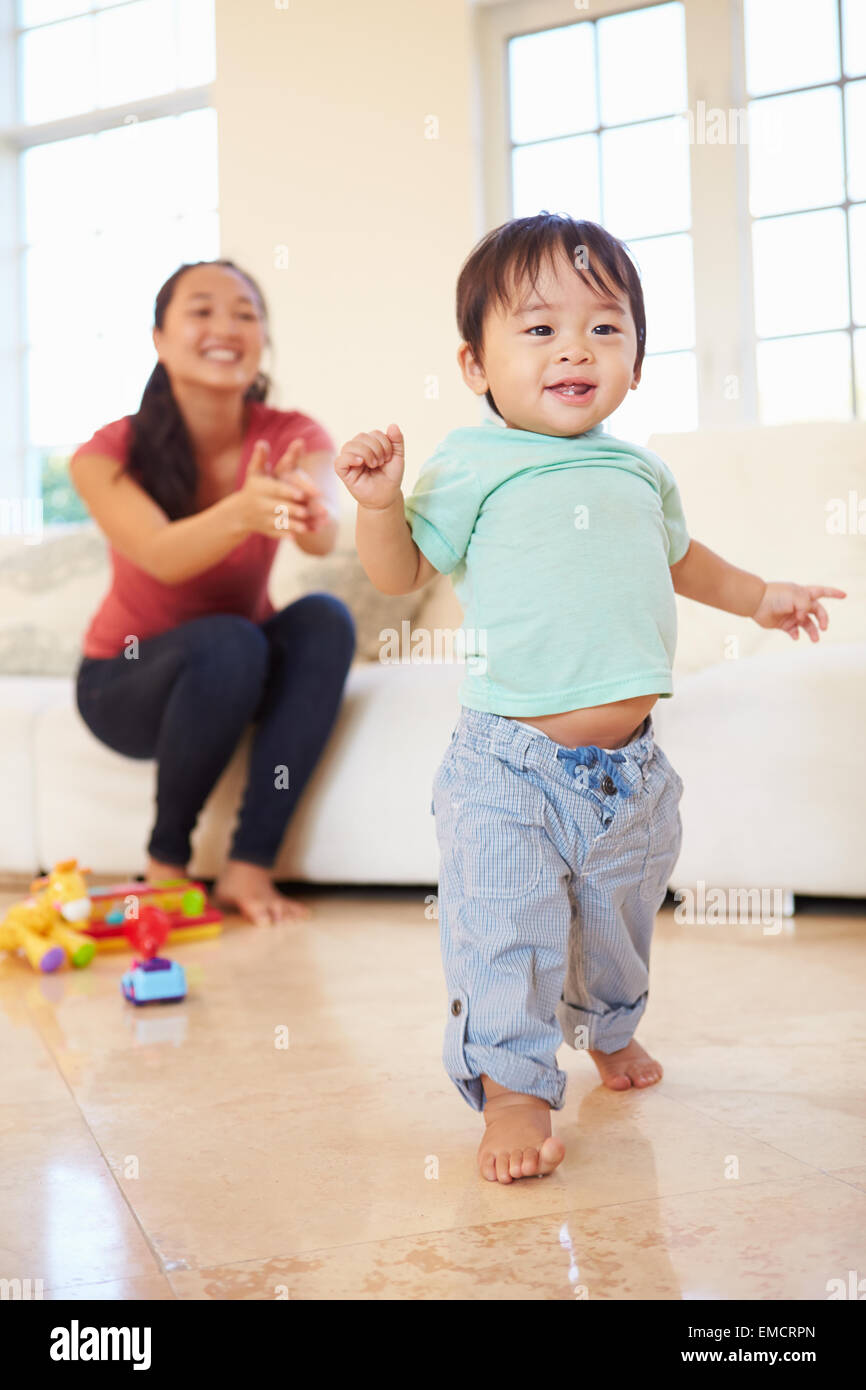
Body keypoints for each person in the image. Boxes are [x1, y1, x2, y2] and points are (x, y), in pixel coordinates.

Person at [334, 212, 846, 1183]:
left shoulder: (635, 469)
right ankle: (514, 1090)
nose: (574, 347)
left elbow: (684, 560)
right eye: (536, 329)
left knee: (614, 930)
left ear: (637, 362)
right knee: (505, 927)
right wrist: (376, 506)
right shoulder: (469, 465)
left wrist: (764, 597)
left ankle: (607, 1029)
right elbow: (399, 574)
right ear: (474, 363)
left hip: (631, 772)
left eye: (604, 328)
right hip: (504, 766)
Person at [70, 259, 355, 925]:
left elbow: (321, 536)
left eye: (246, 313)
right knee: (229, 640)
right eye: (201, 310)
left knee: (323, 619)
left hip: (237, 672)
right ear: (159, 339)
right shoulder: (104, 452)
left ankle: (248, 868)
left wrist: (308, 508)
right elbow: (164, 558)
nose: (226, 326)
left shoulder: (293, 433)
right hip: (126, 683)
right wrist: (244, 510)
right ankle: (166, 867)